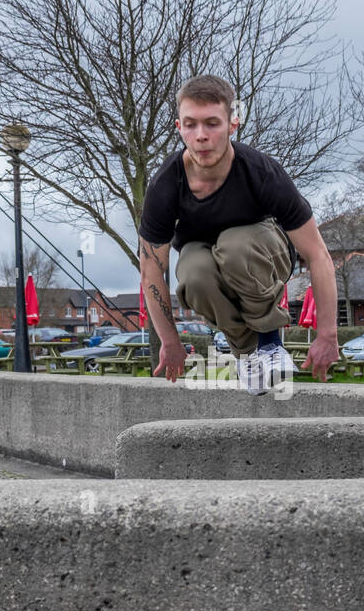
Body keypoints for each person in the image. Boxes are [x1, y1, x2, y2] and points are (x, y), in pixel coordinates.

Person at [137, 74, 339, 395]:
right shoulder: (166, 185)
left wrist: (327, 335)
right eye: (191, 125)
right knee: (192, 270)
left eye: (212, 124)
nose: (201, 136)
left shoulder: (261, 172)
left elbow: (317, 254)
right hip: (210, 267)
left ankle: (271, 344)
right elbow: (150, 271)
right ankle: (246, 353)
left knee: (235, 245)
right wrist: (170, 341)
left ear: (233, 124)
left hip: (264, 256)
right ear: (179, 127)